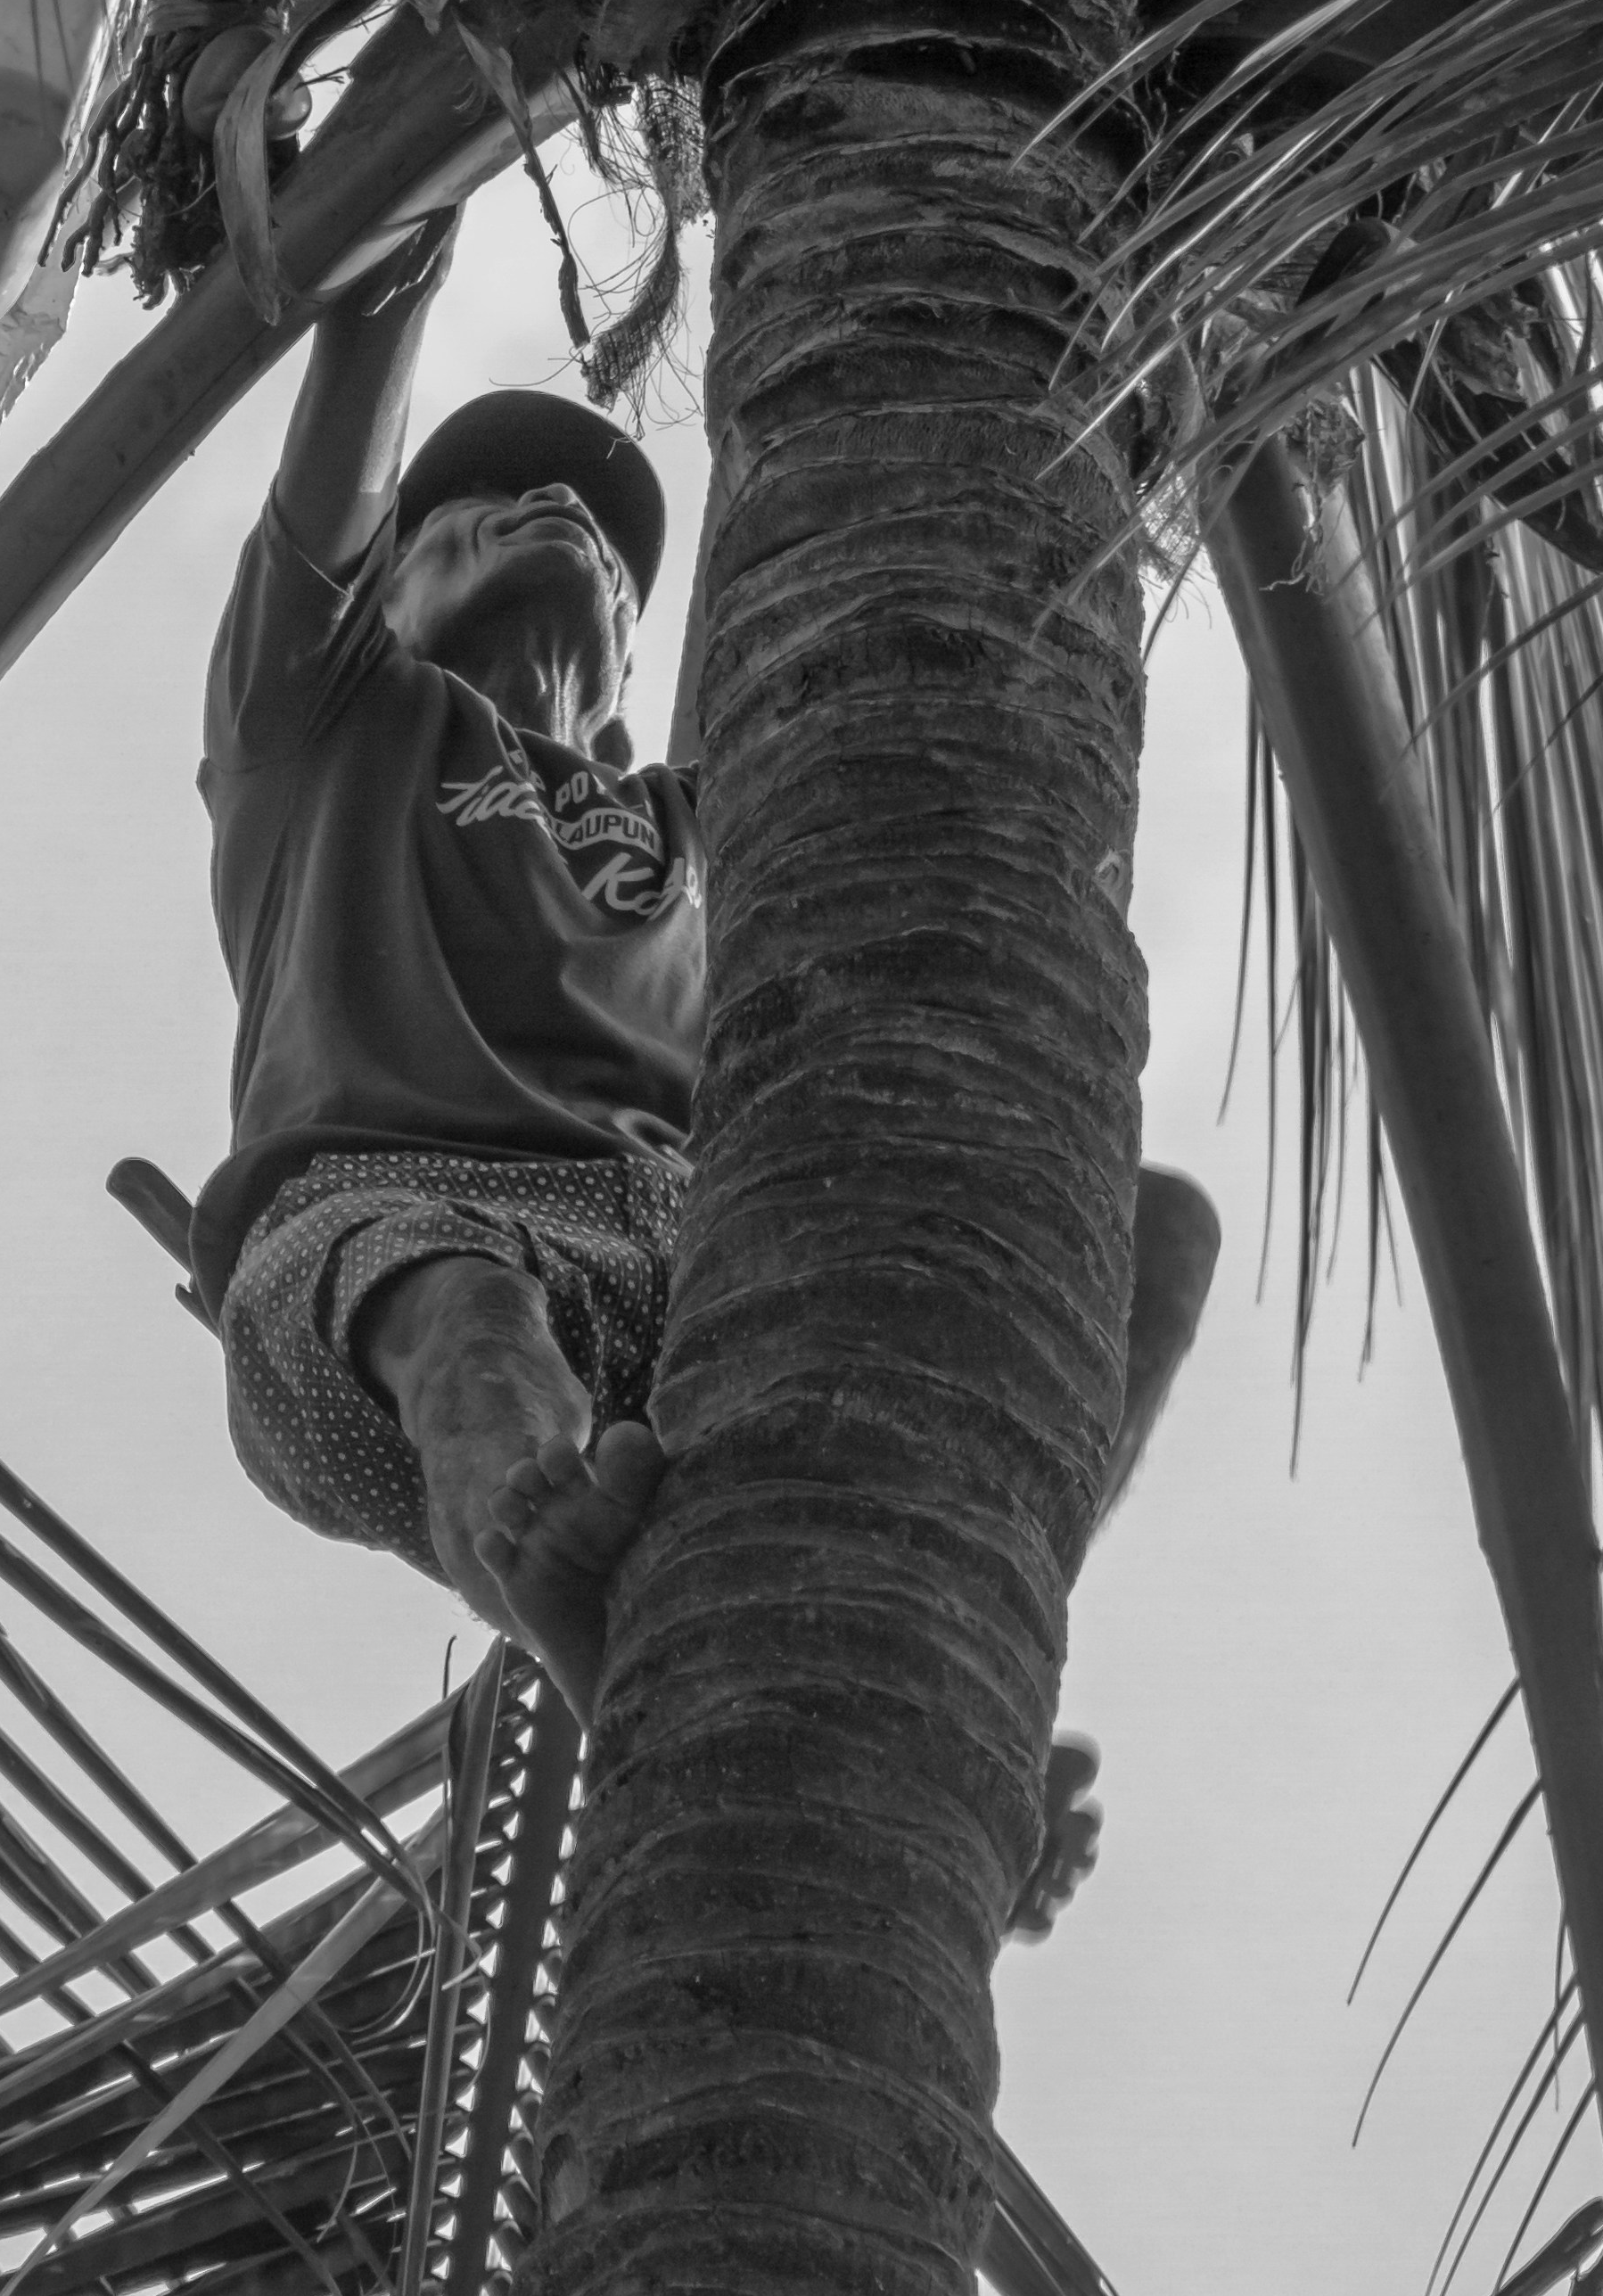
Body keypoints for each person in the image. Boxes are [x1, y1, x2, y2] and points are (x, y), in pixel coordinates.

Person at [193, 207, 1220, 1926]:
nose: (557, 523)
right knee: (463, 1309)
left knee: (1152, 1234)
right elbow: (351, 378)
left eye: (605, 543)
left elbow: (810, 542)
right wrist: (419, 171)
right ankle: (580, 1595)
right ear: (386, 585)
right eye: (477, 512)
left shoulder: (701, 828)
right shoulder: (320, 724)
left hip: (696, 1273)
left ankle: (967, 1668)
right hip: (378, 1239)